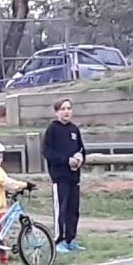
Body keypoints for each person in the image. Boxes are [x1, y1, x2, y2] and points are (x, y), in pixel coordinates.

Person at [42, 98, 86, 253]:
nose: (66, 111)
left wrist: (79, 159)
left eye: (69, 108)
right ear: (57, 112)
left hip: (74, 177)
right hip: (59, 176)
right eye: (63, 108)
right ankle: (59, 240)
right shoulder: (52, 129)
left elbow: (81, 149)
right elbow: (48, 152)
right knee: (61, 208)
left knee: (73, 209)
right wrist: (66, 160)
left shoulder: (74, 130)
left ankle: (70, 239)